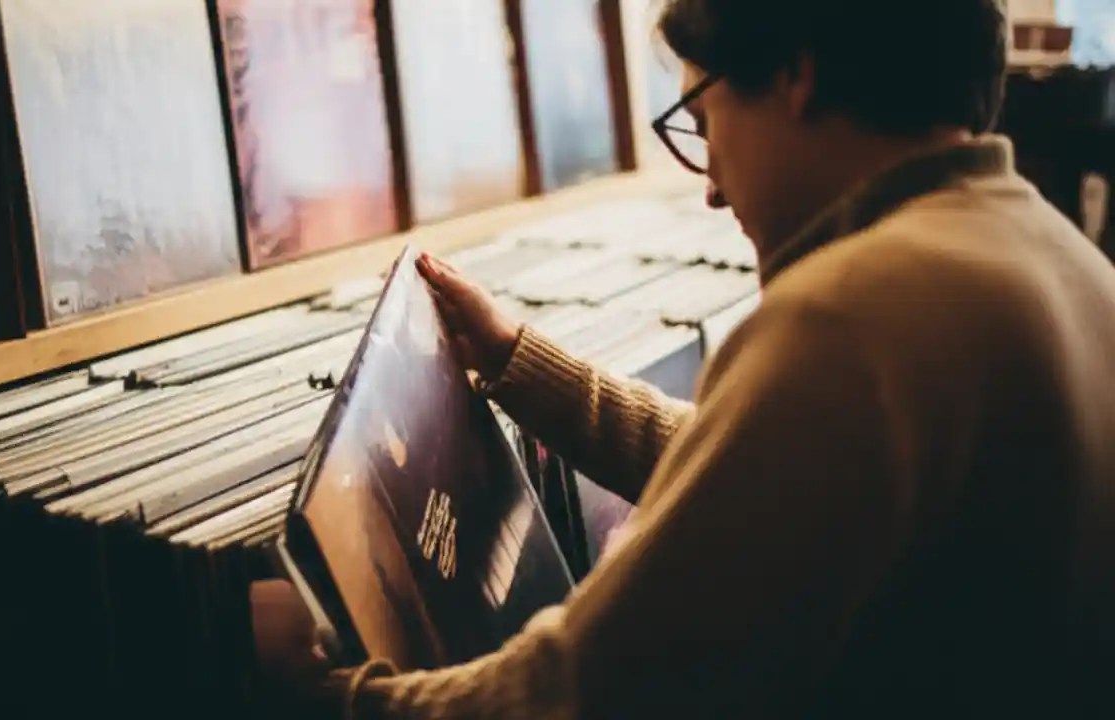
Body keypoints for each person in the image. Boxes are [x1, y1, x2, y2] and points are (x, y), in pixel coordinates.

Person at [253, 0, 1115, 716]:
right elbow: (768, 484)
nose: (710, 186)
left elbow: (587, 693)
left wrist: (328, 693)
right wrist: (523, 363)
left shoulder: (851, 315)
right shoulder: (1057, 259)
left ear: (794, 73)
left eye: (702, 120)